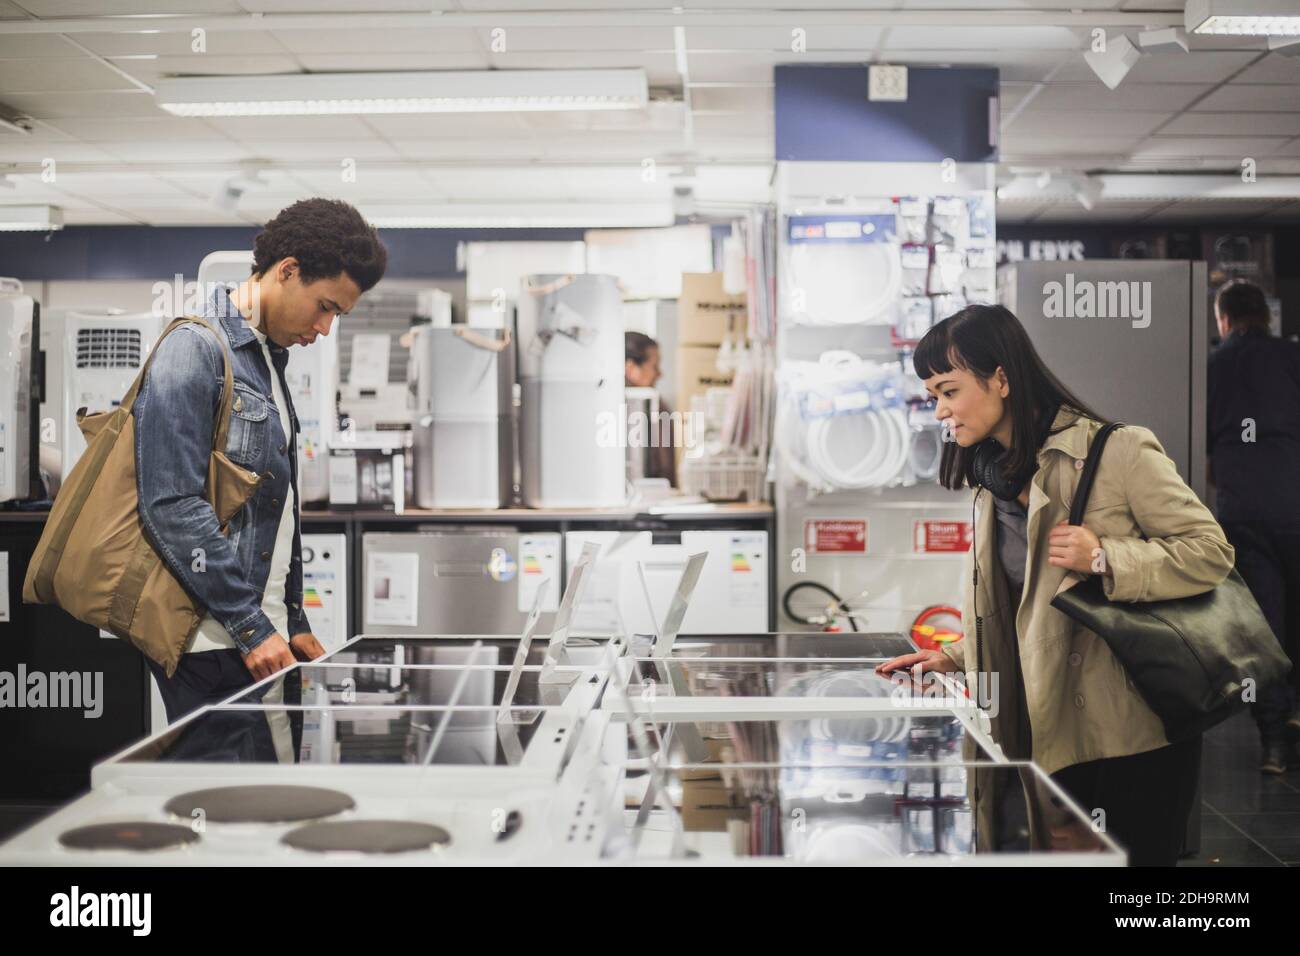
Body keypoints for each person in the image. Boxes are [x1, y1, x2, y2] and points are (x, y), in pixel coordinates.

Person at [876, 304, 1234, 866]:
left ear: (1001, 378)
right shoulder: (991, 477)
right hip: (1040, 724)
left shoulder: (1118, 450)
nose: (940, 410)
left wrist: (1106, 558)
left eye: (949, 390)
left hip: (1128, 730)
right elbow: (1025, 608)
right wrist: (956, 657)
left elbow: (1210, 553)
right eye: (933, 395)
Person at [134, 198, 387, 761]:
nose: (324, 329)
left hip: (259, 635)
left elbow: (274, 506)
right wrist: (253, 627)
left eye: (336, 316)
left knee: (263, 803)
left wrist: (290, 617)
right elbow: (171, 505)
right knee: (223, 816)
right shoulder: (193, 350)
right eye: (324, 307)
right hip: (211, 640)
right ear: (287, 270)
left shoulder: (267, 360)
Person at [1207, 279, 1300, 774]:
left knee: (1266, 629)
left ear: (1223, 319)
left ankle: (1274, 746)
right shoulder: (1291, 357)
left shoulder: (1212, 366)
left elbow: (1202, 447)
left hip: (1243, 513)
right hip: (1295, 506)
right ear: (1266, 315)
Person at [625, 331, 676, 486]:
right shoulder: (654, 407)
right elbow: (665, 468)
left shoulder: (657, 407)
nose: (660, 374)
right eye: (654, 366)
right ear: (631, 367)